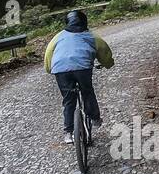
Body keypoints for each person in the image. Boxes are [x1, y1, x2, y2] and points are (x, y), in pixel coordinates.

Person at [44, 9, 114, 144]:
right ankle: (94, 119)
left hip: (60, 69)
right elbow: (104, 52)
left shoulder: (58, 37)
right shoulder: (91, 36)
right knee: (87, 92)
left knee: (68, 99)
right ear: (84, 22)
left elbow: (48, 54)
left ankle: (68, 133)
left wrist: (49, 69)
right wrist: (108, 64)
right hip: (82, 68)